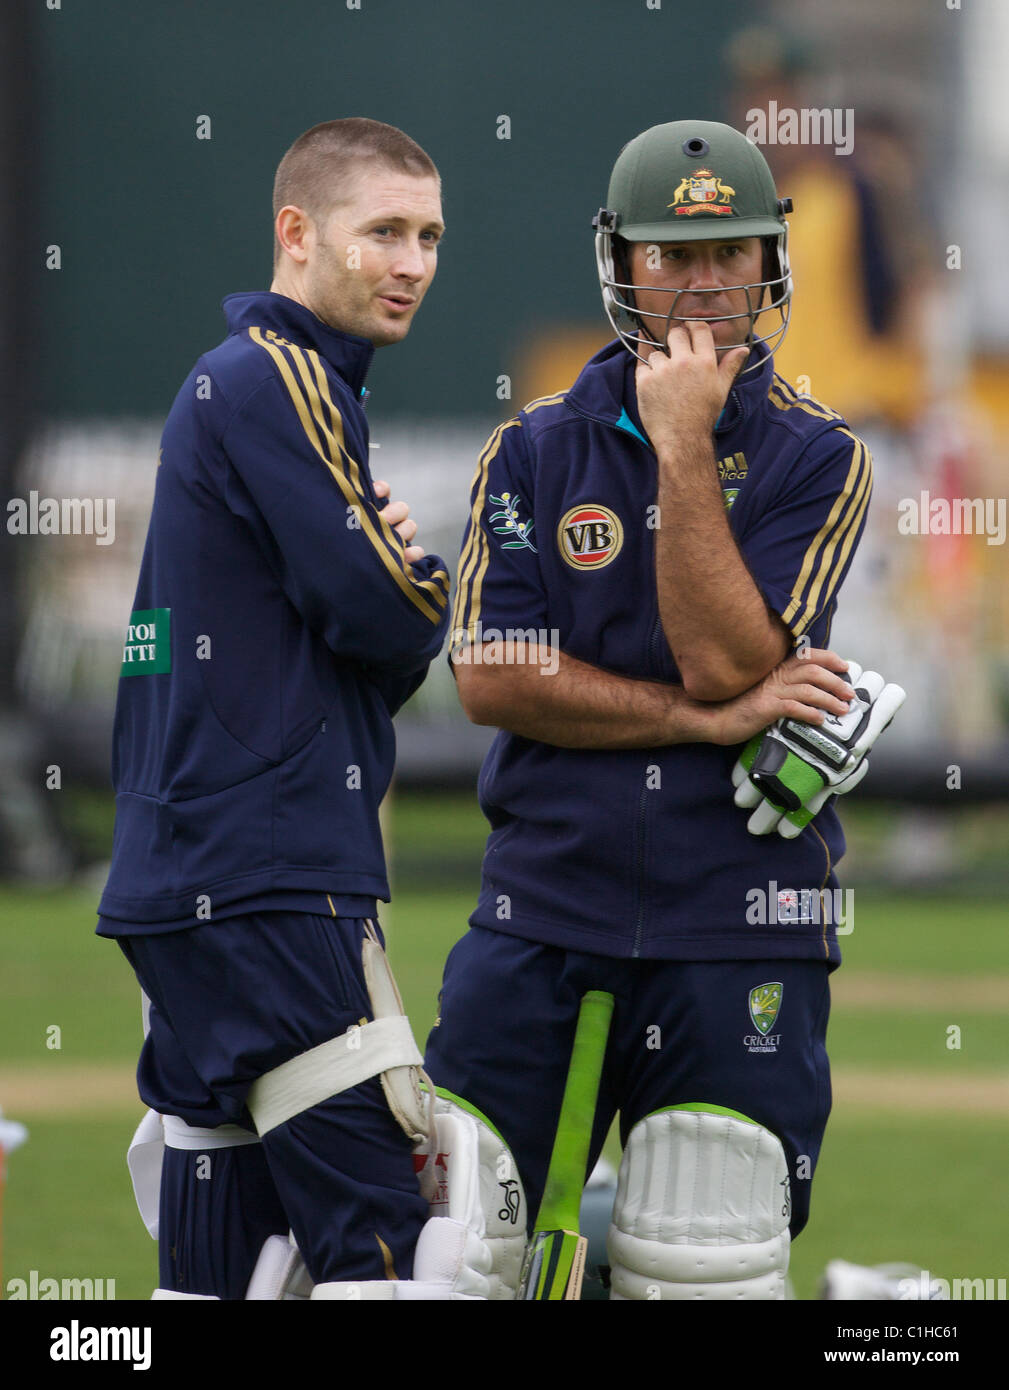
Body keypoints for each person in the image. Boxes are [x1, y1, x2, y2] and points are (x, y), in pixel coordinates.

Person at [427, 120, 892, 1300]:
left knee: (707, 1261)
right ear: (620, 262)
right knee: (458, 1255)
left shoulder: (817, 456)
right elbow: (491, 675)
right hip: (544, 905)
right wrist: (697, 723)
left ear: (771, 262)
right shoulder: (531, 448)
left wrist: (682, 442)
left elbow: (726, 656)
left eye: (729, 252)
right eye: (670, 255)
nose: (702, 285)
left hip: (738, 920)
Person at [96, 118, 453, 1299]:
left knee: (222, 1254)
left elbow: (355, 633)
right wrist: (423, 584)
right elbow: (388, 621)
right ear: (296, 235)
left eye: (431, 236)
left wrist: (382, 600)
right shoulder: (278, 373)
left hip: (181, 881)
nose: (412, 262)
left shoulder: (243, 389)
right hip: (271, 879)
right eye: (384, 231)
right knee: (391, 1244)